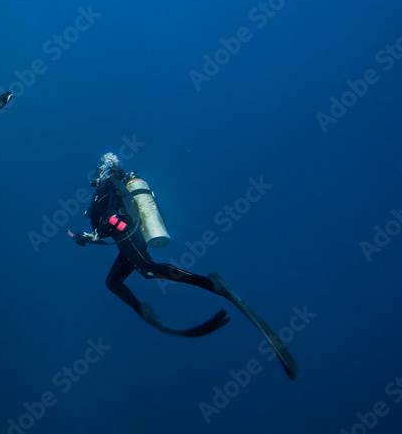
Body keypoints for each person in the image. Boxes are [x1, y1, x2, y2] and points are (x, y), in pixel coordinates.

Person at [69, 153, 299, 380]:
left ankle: (211, 284)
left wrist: (91, 235)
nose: (96, 178)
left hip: (126, 233)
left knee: (148, 269)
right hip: (125, 235)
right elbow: (104, 225)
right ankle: (146, 313)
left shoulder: (107, 186)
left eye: (98, 173)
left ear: (102, 172)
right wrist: (89, 236)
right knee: (113, 282)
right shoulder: (112, 186)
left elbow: (109, 219)